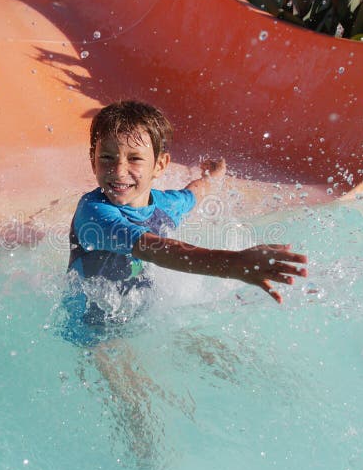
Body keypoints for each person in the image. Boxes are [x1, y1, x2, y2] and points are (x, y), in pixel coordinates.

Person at [62, 100, 308, 346]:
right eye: (106, 157)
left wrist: (212, 176)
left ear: (160, 165)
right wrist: (233, 263)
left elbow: (194, 193)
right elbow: (157, 250)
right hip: (91, 327)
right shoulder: (94, 213)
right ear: (93, 160)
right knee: (131, 381)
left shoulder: (166, 206)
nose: (118, 170)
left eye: (134, 158)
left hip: (137, 314)